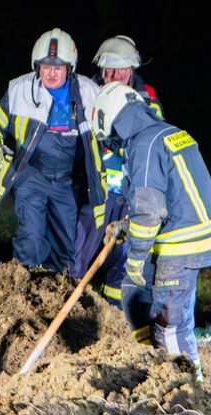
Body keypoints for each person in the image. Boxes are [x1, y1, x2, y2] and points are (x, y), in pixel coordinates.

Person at [90, 81, 211, 379]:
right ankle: (149, 366)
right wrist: (128, 227)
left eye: (111, 139)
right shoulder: (167, 133)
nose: (114, 145)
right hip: (188, 236)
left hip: (179, 244)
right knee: (133, 293)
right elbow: (171, 197)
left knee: (170, 325)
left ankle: (187, 389)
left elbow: (149, 212)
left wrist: (135, 259)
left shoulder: (143, 145)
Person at [0, 28, 105, 276]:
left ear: (70, 67)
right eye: (45, 66)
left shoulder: (90, 92)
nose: (51, 73)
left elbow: (110, 131)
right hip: (31, 175)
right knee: (32, 238)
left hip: (68, 182)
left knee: (64, 246)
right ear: (36, 66)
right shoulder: (19, 89)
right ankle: (25, 288)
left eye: (58, 67)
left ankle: (54, 291)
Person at [88, 35, 164, 306]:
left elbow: (154, 141)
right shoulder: (89, 93)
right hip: (96, 192)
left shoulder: (147, 98)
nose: (114, 76)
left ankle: (116, 313)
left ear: (132, 69)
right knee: (84, 252)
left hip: (131, 192)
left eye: (121, 69)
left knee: (125, 255)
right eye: (109, 70)